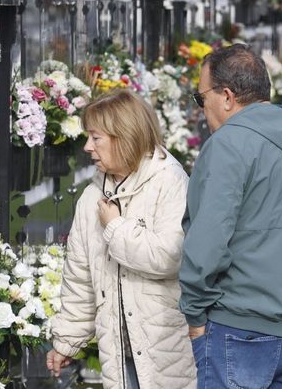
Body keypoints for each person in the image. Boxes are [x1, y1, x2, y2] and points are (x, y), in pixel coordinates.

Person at [178, 44, 282, 389]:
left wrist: (195, 314)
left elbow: (206, 243)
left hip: (237, 326)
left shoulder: (226, 145)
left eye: (200, 97)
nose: (201, 108)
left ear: (226, 96)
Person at [46, 89, 196, 388]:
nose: (87, 147)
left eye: (96, 137)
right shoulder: (92, 198)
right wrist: (66, 342)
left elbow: (169, 257)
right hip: (117, 351)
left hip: (165, 352)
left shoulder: (170, 183)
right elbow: (80, 278)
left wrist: (115, 228)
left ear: (124, 136)